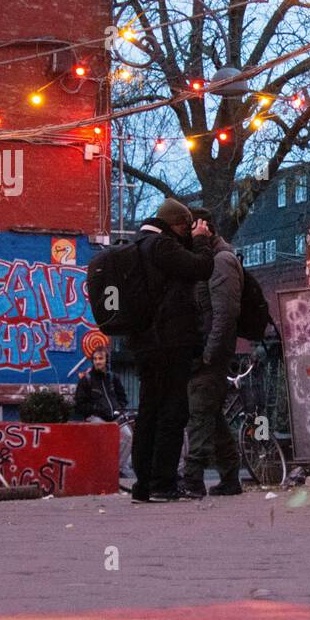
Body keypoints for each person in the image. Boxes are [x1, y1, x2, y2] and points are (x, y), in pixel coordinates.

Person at [126, 198, 214, 503]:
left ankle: (144, 483)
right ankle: (163, 482)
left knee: (149, 411)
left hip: (145, 343)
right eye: (185, 228)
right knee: (173, 412)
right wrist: (201, 242)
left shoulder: (138, 246)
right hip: (169, 343)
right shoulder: (162, 247)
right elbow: (201, 267)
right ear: (177, 225)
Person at [181, 207, 243, 498]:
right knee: (211, 414)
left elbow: (224, 313)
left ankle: (192, 478)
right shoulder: (210, 261)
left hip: (212, 354)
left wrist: (209, 353)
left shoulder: (221, 261)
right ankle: (231, 477)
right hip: (207, 351)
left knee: (200, 413)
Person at [74, 345, 133, 480]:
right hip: (96, 418)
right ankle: (104, 470)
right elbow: (80, 405)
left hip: (115, 417)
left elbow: (122, 397)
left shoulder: (113, 378)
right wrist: (96, 409)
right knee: (104, 436)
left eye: (101, 358)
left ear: (106, 360)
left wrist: (119, 408)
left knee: (128, 437)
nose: (97, 362)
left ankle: (117, 469)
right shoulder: (86, 380)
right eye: (95, 359)